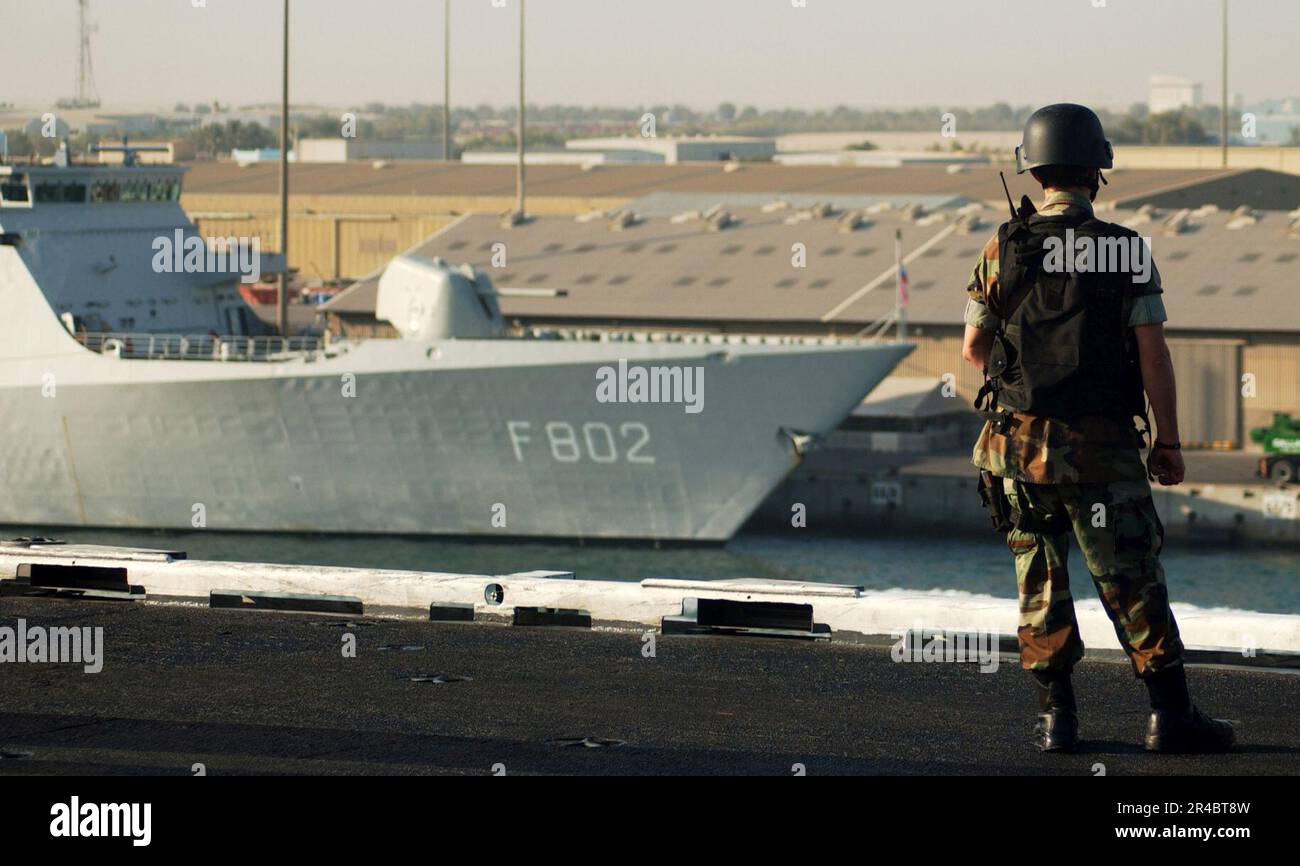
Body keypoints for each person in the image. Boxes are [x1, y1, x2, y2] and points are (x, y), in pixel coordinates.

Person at [961, 103, 1235, 754]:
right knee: (1131, 579)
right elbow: (1153, 355)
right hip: (1101, 452)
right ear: (1096, 168)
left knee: (1040, 581)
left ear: (1035, 171)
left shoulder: (1005, 244)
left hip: (1015, 450)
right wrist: (1168, 443)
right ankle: (1169, 717)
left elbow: (975, 349)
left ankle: (1057, 719)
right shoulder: (1123, 248)